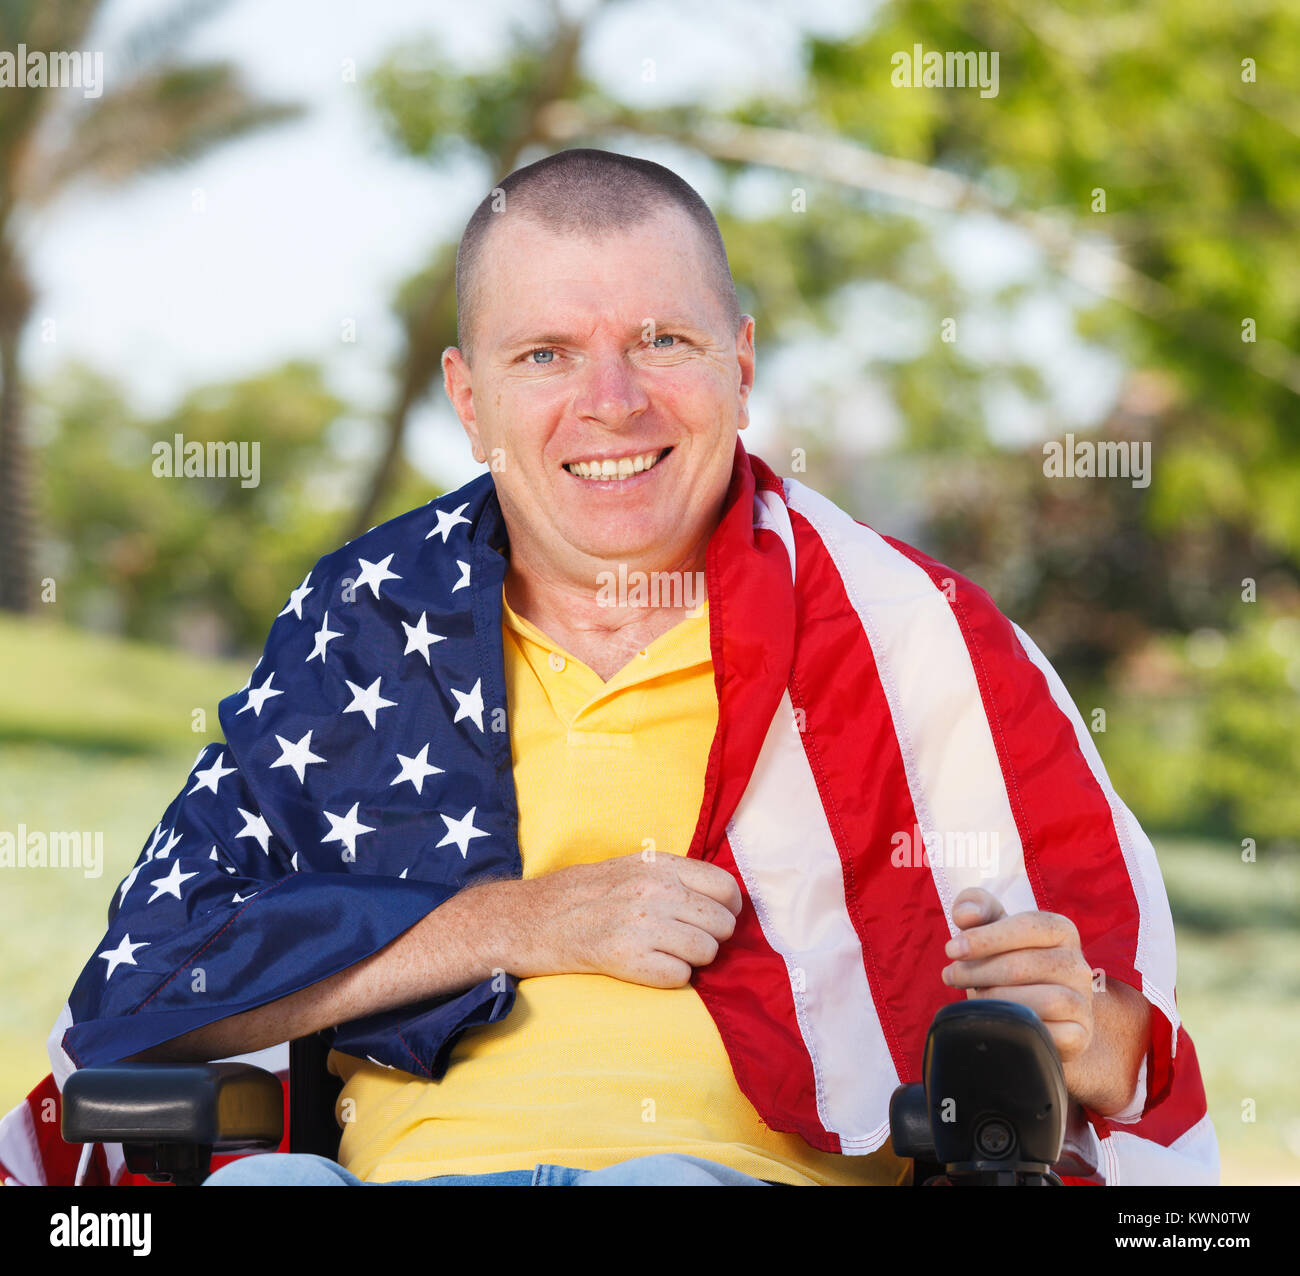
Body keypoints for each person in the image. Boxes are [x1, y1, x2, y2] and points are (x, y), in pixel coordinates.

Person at [50, 149, 1217, 1187]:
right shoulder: (356, 624)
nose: (610, 403)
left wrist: (1088, 1026)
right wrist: (521, 921)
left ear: (742, 364)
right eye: (545, 353)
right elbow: (151, 992)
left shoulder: (909, 636)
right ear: (469, 399)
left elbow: (1127, 1068)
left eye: (662, 340)